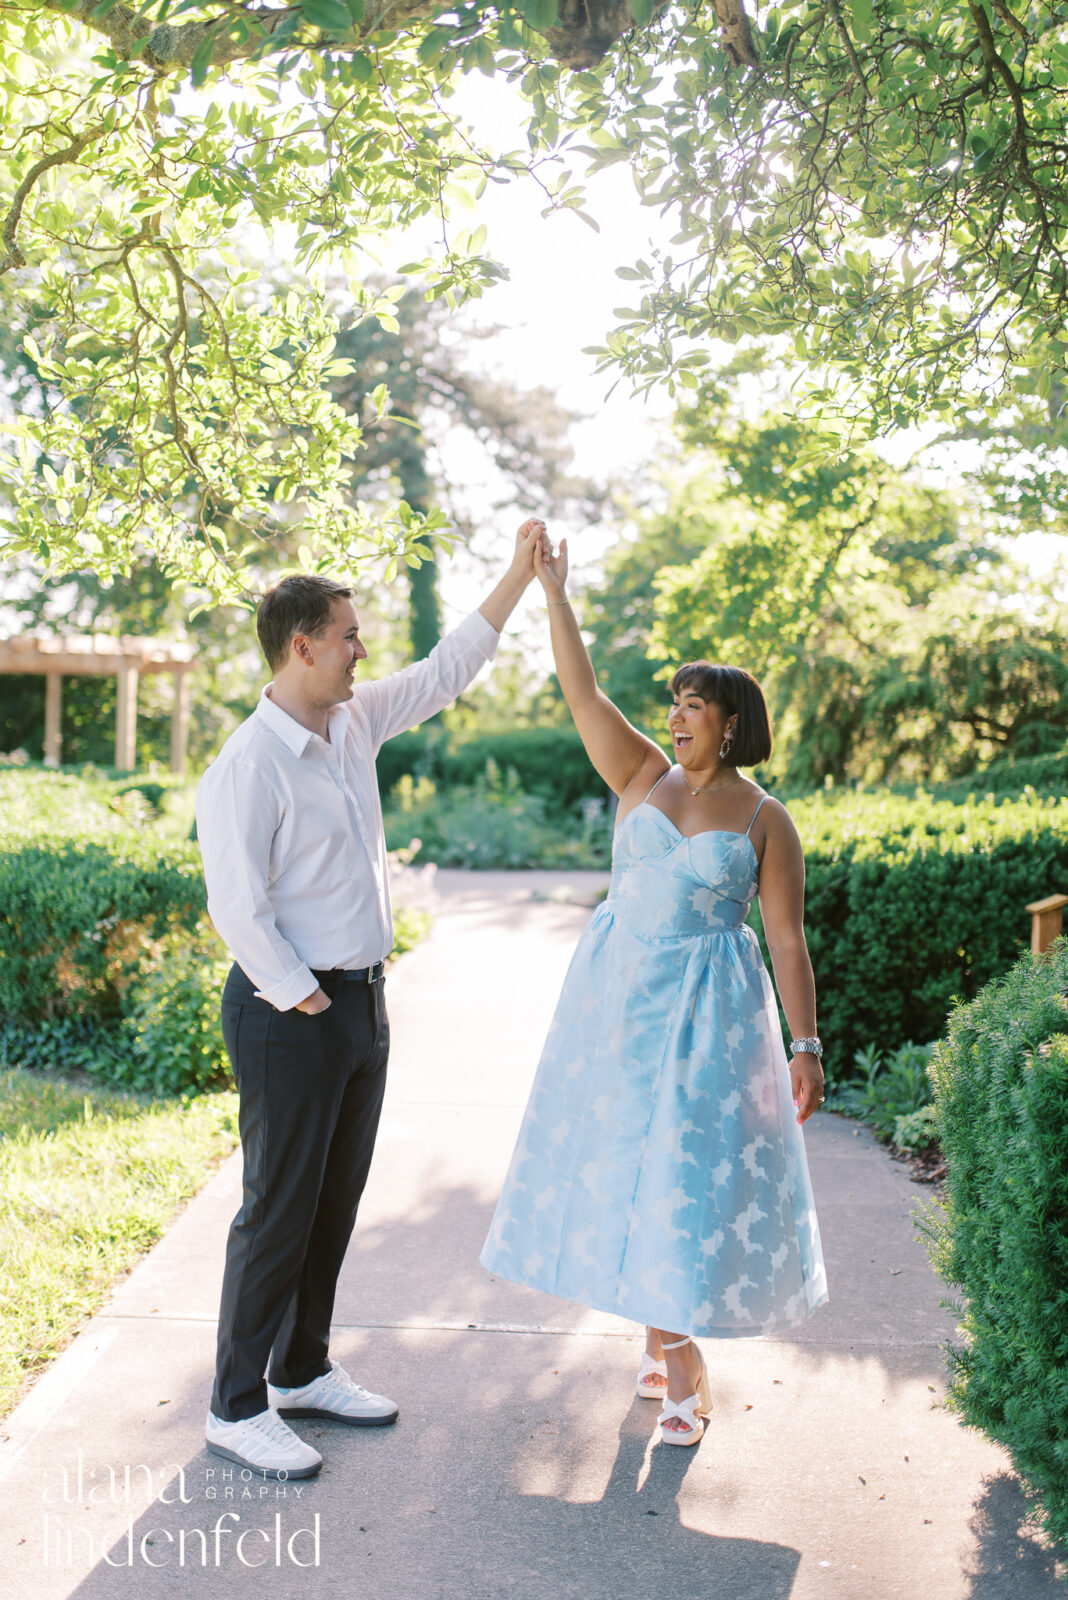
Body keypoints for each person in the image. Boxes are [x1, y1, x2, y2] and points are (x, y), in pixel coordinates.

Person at [196, 519, 545, 1479]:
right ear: (300, 644)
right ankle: (234, 1405)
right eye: (349, 635)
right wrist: (306, 1001)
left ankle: (300, 1371)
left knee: (334, 1202)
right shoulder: (248, 766)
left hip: (361, 1008)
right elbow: (239, 906)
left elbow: (447, 670)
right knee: (277, 1208)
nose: (362, 650)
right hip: (288, 1015)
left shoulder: (353, 724)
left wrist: (517, 577)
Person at [480, 530, 828, 1446]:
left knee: (675, 1174)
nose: (677, 718)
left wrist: (806, 1046)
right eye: (674, 703)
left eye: (695, 707)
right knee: (625, 1171)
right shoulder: (639, 774)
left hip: (709, 1018)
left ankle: (681, 1362)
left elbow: (786, 940)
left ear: (733, 723)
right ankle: (665, 1342)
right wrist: (553, 592)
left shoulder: (766, 819)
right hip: (615, 1005)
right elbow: (582, 692)